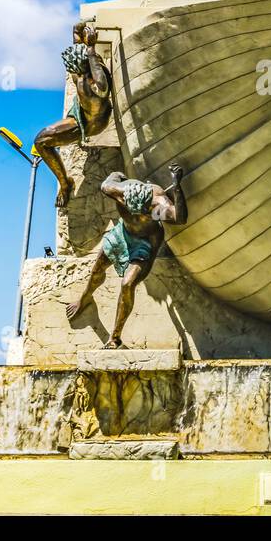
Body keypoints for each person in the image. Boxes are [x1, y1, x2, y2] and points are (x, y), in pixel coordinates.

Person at [66, 166, 187, 348]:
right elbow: (108, 181)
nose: (136, 214)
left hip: (146, 242)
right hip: (122, 233)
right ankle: (85, 297)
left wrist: (177, 186)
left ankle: (115, 337)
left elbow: (180, 217)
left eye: (141, 212)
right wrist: (118, 175)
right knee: (97, 270)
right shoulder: (116, 190)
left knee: (127, 284)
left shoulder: (156, 203)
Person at [33, 21, 113, 206]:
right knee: (41, 141)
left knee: (41, 142)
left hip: (88, 124)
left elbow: (102, 87)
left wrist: (91, 47)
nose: (70, 72)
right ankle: (64, 181)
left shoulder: (90, 85)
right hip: (79, 114)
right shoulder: (82, 69)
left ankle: (65, 184)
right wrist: (80, 28)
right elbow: (76, 39)